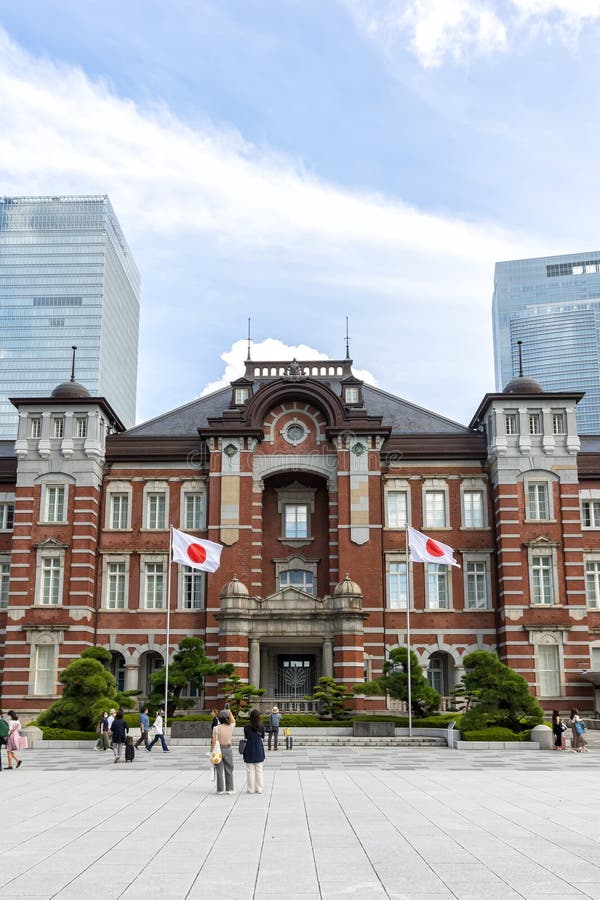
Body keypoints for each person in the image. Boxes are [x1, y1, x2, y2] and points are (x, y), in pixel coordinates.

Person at [212, 707, 236, 794]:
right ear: (227, 717)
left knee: (219, 769)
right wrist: (229, 712)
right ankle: (230, 789)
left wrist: (212, 752)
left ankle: (220, 789)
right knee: (229, 768)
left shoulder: (216, 728)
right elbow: (233, 721)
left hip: (218, 749)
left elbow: (214, 741)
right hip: (228, 748)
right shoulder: (231, 726)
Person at [243, 708, 266, 794]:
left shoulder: (246, 727)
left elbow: (246, 737)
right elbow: (263, 737)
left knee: (250, 771)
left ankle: (250, 789)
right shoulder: (261, 726)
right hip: (258, 748)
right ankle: (259, 789)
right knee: (259, 770)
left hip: (249, 748)